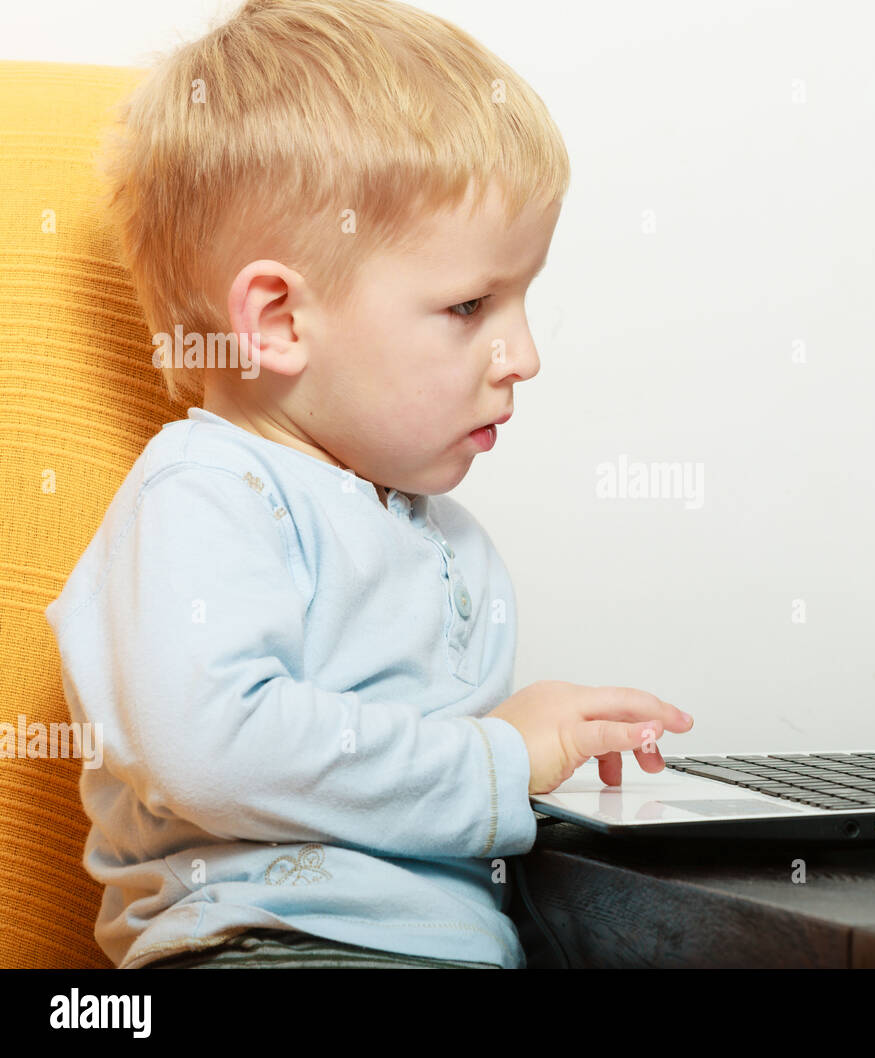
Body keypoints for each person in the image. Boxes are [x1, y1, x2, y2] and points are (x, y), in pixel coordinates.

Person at [45, 0, 692, 970]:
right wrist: (500, 758)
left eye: (522, 299)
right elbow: (213, 743)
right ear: (276, 320)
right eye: (469, 304)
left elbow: (423, 808)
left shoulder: (447, 534)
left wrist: (551, 777)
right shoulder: (208, 490)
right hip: (272, 944)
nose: (522, 353)